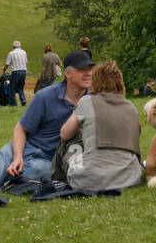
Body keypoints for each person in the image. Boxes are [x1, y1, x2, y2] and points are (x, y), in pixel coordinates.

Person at [0, 49, 94, 186]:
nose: (88, 73)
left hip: (49, 160)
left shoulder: (93, 102)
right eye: (81, 69)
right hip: (25, 148)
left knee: (34, 175)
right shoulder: (45, 96)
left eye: (90, 69)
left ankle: (10, 174)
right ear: (67, 73)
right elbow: (20, 129)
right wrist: (18, 157)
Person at [53, 60, 143, 190]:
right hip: (129, 178)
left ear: (95, 81)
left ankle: (57, 178)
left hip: (89, 179)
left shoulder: (87, 101)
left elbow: (64, 134)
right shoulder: (131, 107)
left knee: (71, 139)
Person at [5, 40, 28, 108]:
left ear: (13, 46)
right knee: (20, 87)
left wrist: (4, 69)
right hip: (24, 72)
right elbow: (26, 61)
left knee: (12, 88)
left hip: (16, 72)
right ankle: (23, 100)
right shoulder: (24, 52)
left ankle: (13, 104)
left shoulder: (11, 53)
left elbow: (7, 64)